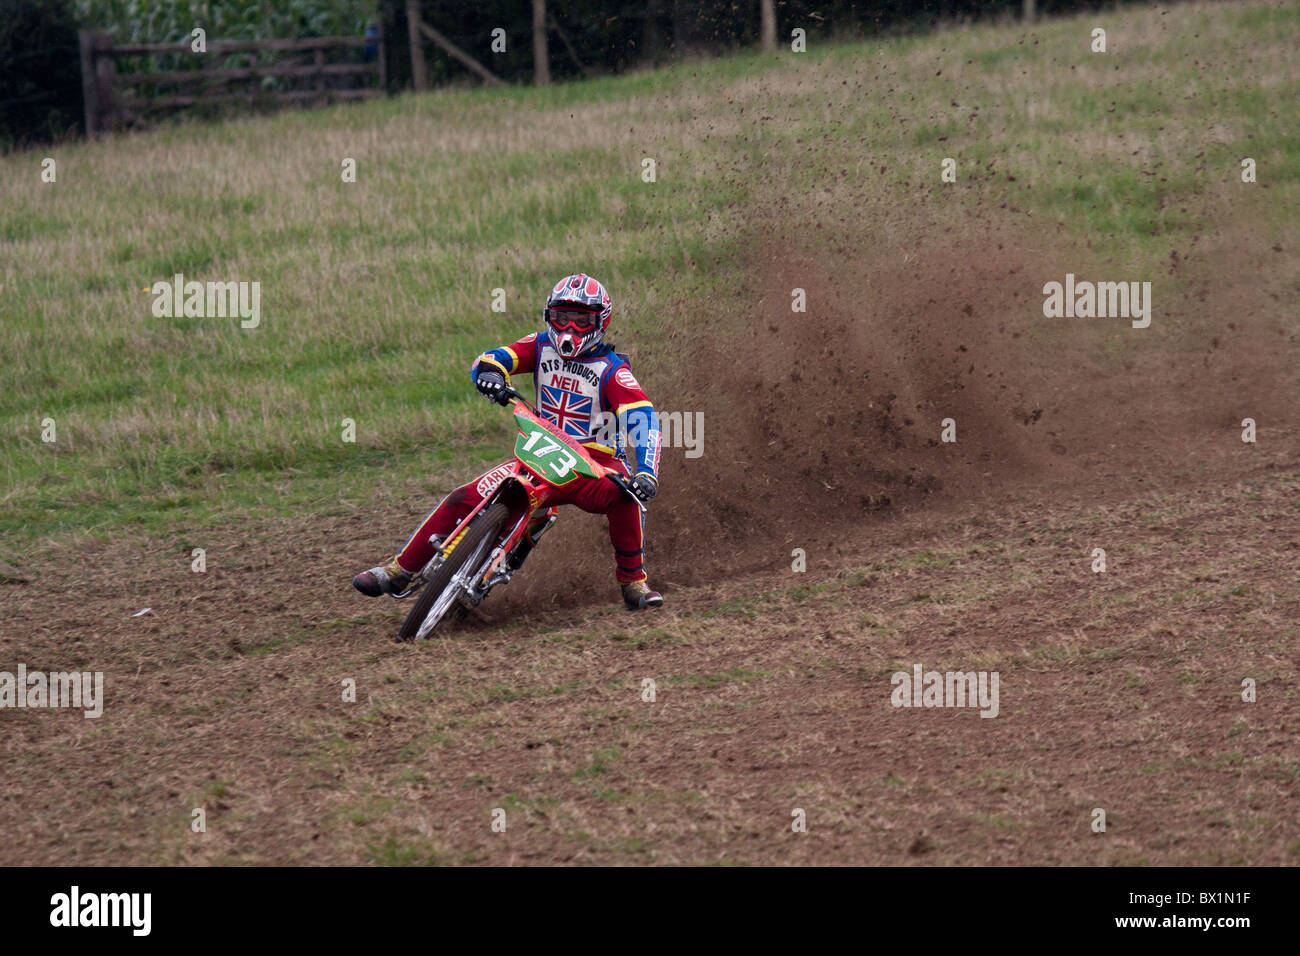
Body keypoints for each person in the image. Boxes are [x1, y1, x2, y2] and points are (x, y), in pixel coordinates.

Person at [352, 274, 664, 611]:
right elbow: (492, 358)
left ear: (600, 322)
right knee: (463, 496)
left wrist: (646, 472)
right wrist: (489, 376)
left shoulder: (614, 371)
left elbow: (644, 420)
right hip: (542, 453)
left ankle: (634, 582)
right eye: (562, 317)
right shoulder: (539, 344)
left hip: (595, 464)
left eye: (581, 320)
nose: (570, 329)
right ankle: (399, 570)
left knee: (625, 496)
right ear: (549, 316)